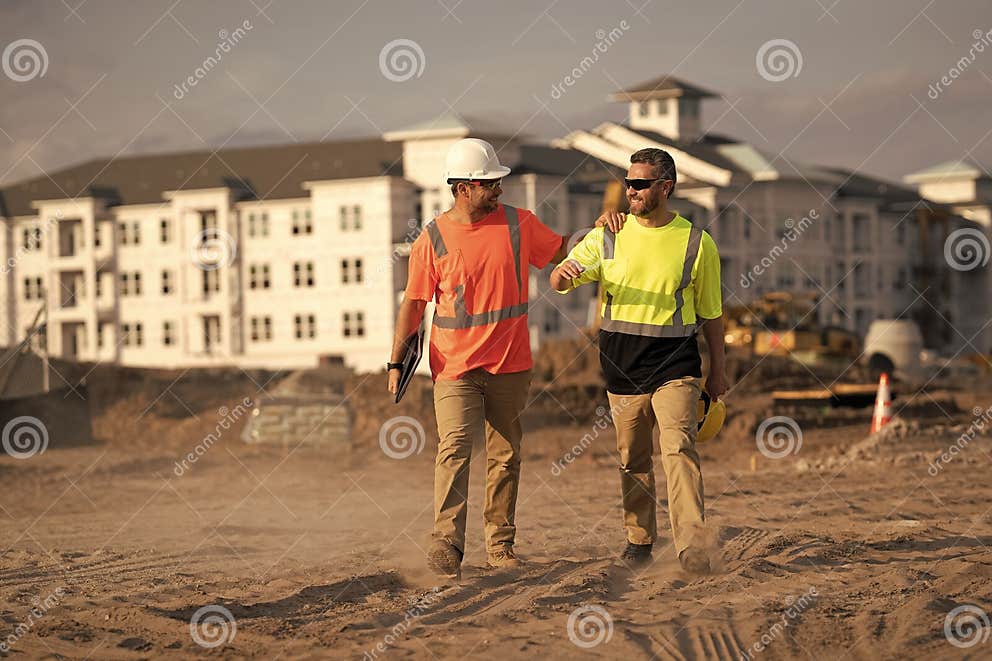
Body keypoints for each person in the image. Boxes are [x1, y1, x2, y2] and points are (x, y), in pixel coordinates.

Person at [388, 138, 568, 579]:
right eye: (490, 184)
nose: (498, 191)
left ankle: (501, 546)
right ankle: (446, 542)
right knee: (454, 449)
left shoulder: (520, 225)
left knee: (505, 455)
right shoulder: (430, 239)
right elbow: (413, 305)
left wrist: (603, 233)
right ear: (464, 187)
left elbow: (564, 253)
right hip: (454, 367)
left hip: (510, 362)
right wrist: (395, 364)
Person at [549, 147, 728, 573]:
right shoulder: (607, 235)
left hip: (676, 365)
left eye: (640, 184)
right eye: (628, 183)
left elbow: (713, 315)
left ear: (665, 187)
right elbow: (560, 276)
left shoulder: (696, 244)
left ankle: (692, 545)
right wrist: (561, 275)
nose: (630, 190)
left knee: (678, 447)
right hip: (622, 366)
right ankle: (640, 539)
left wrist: (718, 371)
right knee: (633, 458)